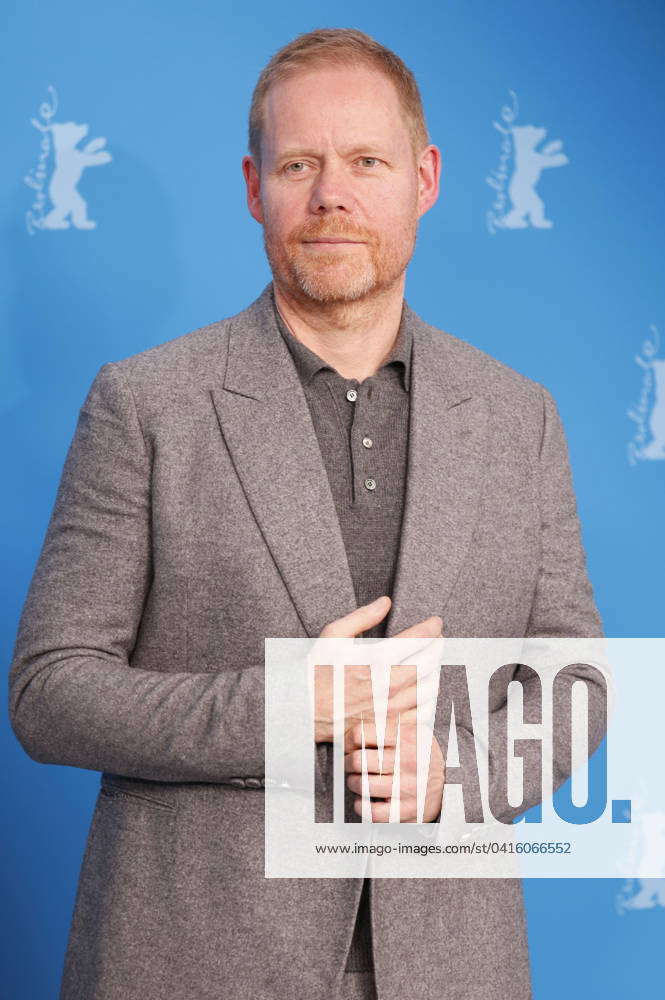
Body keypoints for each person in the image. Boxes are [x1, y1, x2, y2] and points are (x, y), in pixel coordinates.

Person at [8, 27, 605, 1000]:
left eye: (365, 161)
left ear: (424, 178)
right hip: (192, 965)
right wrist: (292, 708)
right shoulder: (145, 403)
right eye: (299, 164)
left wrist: (453, 780)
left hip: (452, 971)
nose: (332, 194)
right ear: (254, 188)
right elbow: (49, 690)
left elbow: (572, 677)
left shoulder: (515, 416)